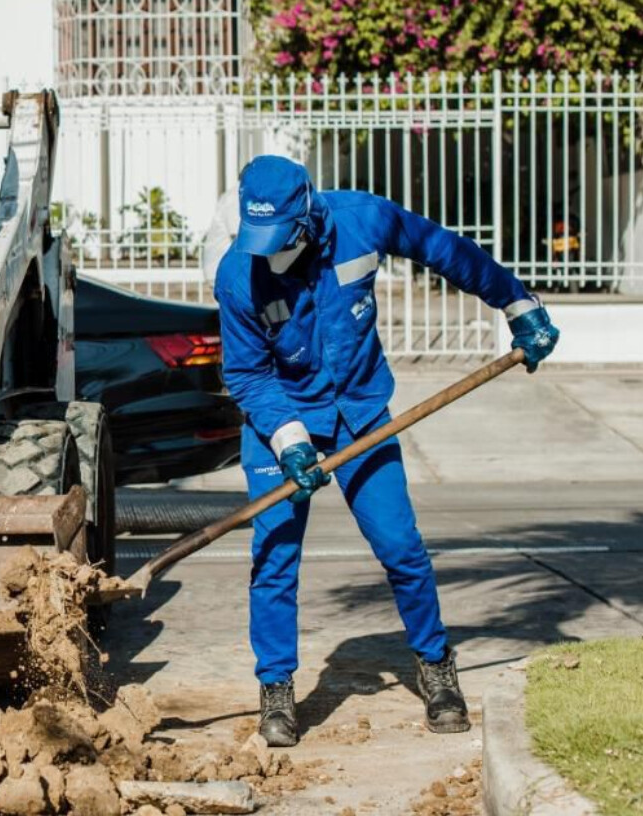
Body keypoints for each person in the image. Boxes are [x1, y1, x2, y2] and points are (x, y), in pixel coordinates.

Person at [214, 155, 560, 748]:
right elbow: (247, 375)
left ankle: (434, 667)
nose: (266, 251)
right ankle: (276, 687)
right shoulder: (237, 276)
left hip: (361, 416)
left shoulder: (363, 220)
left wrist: (517, 303)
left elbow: (445, 250)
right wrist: (290, 439)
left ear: (306, 217)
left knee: (401, 547)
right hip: (284, 424)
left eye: (277, 238)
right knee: (274, 558)